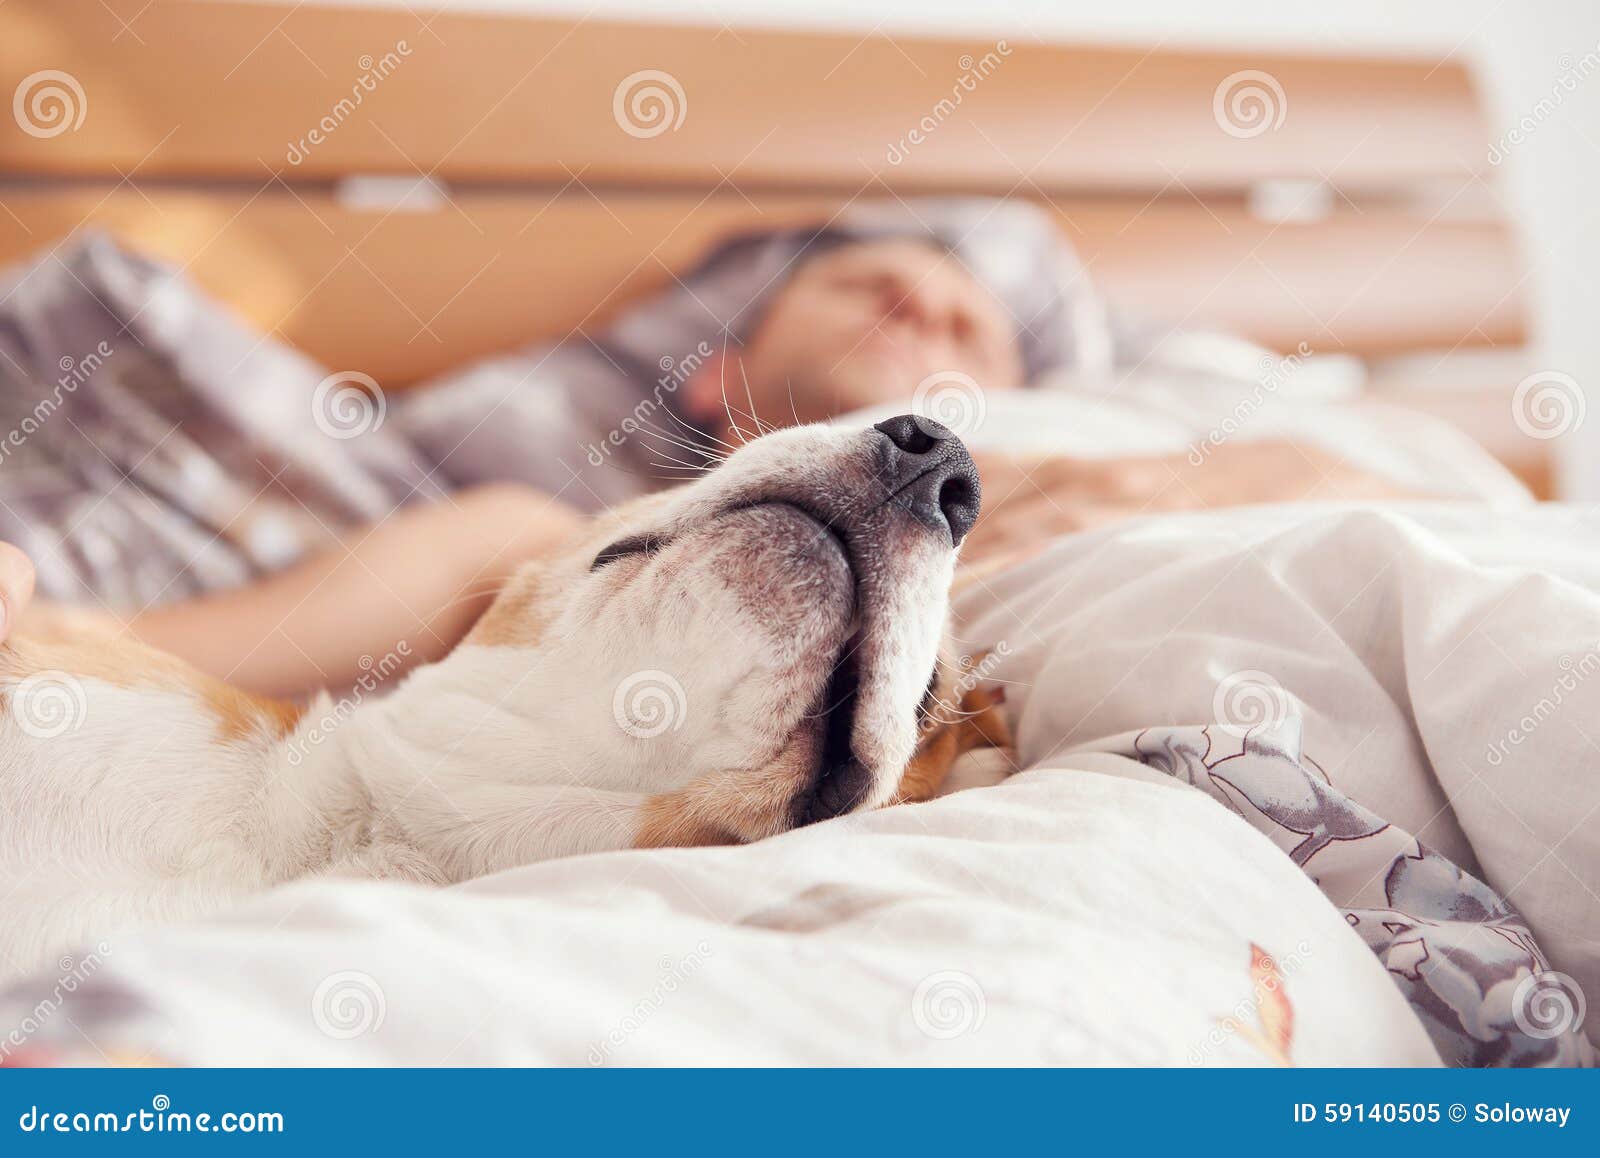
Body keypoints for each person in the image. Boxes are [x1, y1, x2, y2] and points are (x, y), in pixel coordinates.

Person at [0, 210, 1422, 693]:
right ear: (720, 371)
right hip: (602, 585)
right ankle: (72, 651)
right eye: (869, 285)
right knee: (508, 529)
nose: (921, 302)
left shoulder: (1106, 442)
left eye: (968, 326)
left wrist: (1089, 485)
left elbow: (1360, 489)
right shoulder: (563, 509)